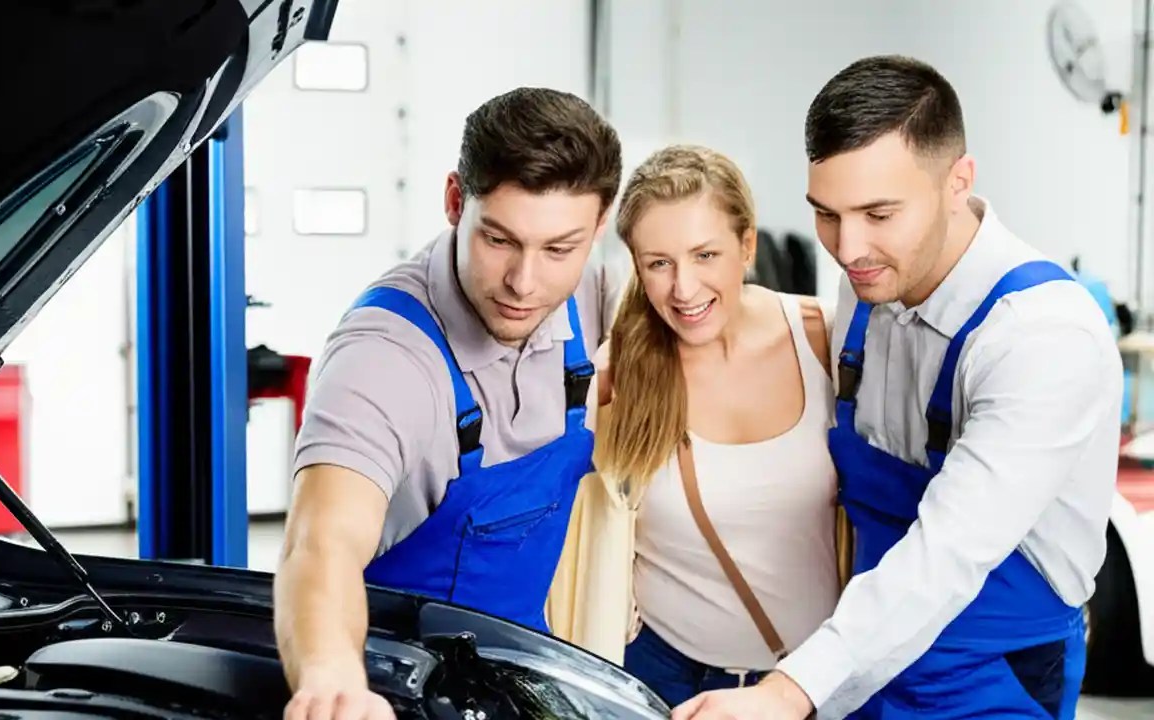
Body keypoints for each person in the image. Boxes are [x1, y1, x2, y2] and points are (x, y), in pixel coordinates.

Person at [672, 55, 1124, 720]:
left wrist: (788, 692)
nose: (848, 247)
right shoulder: (867, 288)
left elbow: (947, 553)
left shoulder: (1041, 336)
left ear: (957, 183)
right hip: (863, 653)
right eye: (826, 214)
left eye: (878, 213)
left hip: (989, 676)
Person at [273, 86, 625, 720]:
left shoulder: (595, 295)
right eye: (498, 240)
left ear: (599, 229)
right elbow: (319, 541)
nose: (525, 282)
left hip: (520, 677)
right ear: (455, 201)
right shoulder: (384, 356)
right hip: (398, 691)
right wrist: (331, 679)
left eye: (558, 249)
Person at [546, 144, 852, 709]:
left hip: (804, 684)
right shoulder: (621, 372)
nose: (683, 289)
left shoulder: (824, 341)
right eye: (659, 263)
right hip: (664, 679)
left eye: (705, 255)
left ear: (747, 246)